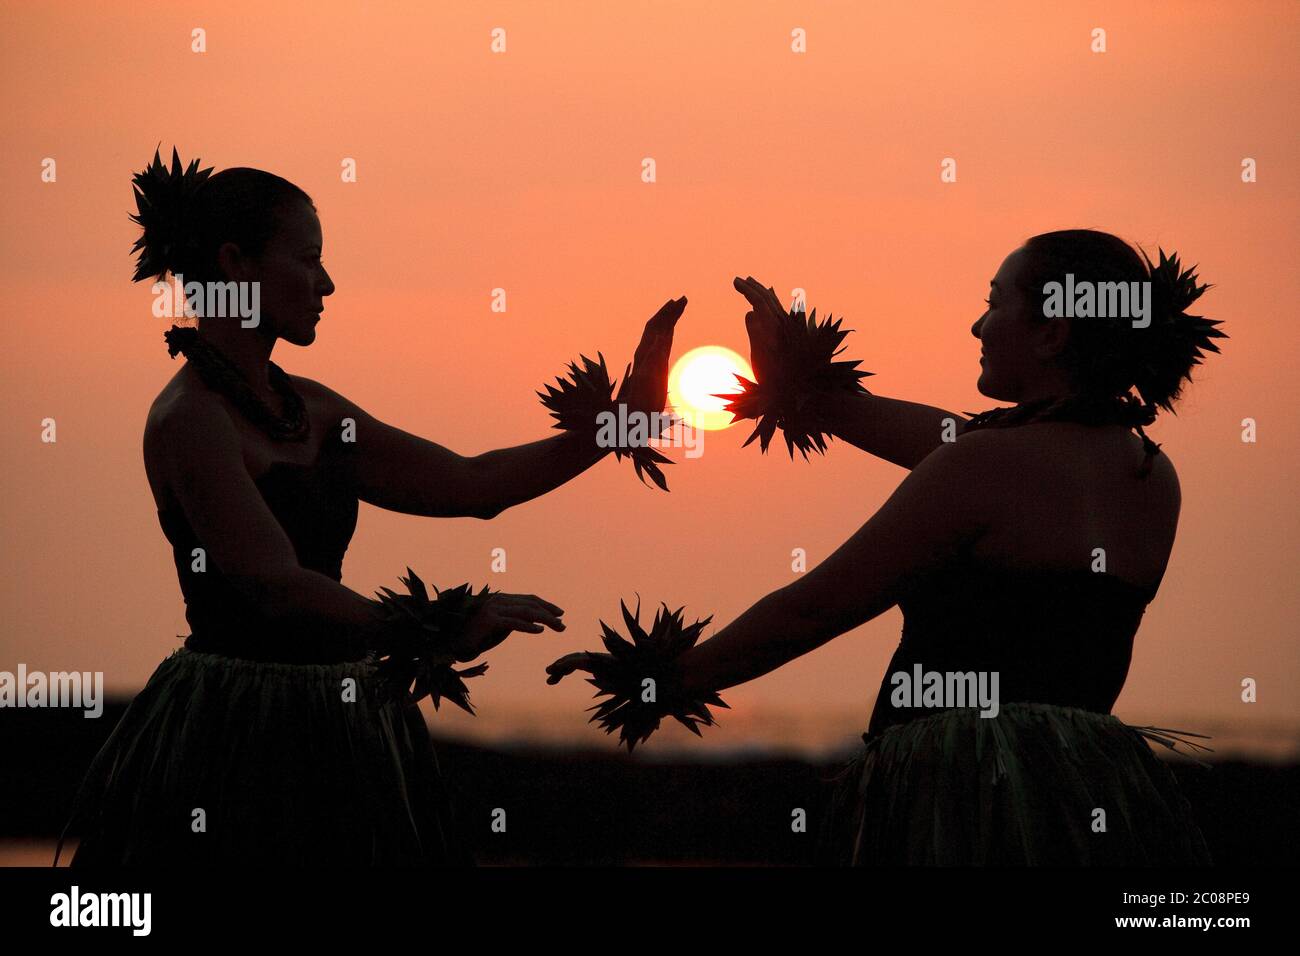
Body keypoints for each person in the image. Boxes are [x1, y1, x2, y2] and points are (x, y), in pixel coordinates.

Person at [54, 148, 684, 866]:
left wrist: (617, 426)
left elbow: (474, 485)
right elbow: (275, 588)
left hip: (346, 717)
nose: (327, 283)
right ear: (235, 263)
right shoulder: (191, 421)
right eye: (309, 259)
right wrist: (440, 626)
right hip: (237, 731)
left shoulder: (313, 410)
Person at [549, 230, 1223, 864]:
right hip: (1084, 793)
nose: (977, 325)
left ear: (1052, 331)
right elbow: (963, 442)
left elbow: (811, 612)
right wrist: (797, 390)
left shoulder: (984, 467)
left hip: (960, 795)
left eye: (994, 303)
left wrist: (658, 678)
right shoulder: (1148, 473)